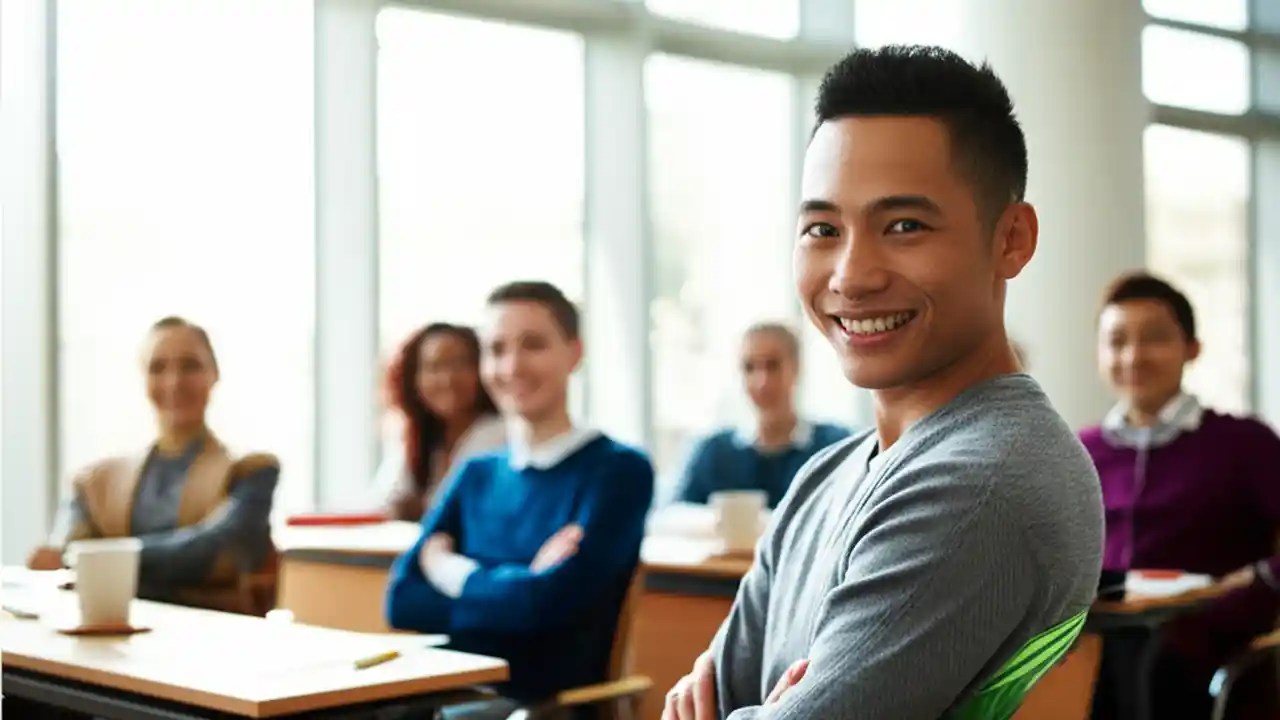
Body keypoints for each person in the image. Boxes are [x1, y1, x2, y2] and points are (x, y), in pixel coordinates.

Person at [663, 45, 1103, 719]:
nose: (851, 275)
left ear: (1010, 239)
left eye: (904, 226)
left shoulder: (979, 482)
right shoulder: (826, 475)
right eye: (822, 227)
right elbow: (714, 697)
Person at [384, 281, 654, 717]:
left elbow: (544, 610)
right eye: (496, 349)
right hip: (446, 692)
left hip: (538, 707)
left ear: (574, 352)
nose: (511, 366)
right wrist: (523, 582)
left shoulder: (619, 471)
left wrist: (450, 571)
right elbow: (402, 599)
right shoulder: (476, 473)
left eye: (533, 345)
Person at [1083, 273, 1280, 720]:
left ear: (1192, 348)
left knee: (1144, 664)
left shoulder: (1244, 443)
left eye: (1154, 339)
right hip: (1101, 633)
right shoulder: (1081, 451)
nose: (1133, 356)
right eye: (1116, 342)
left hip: (1205, 642)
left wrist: (1258, 579)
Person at [28, 317, 278, 613]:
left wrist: (103, 559)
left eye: (190, 365)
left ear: (215, 373)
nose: (174, 381)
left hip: (209, 639)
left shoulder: (252, 470)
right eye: (158, 367)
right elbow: (62, 554)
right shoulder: (94, 481)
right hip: (109, 637)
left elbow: (219, 553)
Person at [672, 323, 848, 509]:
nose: (761, 382)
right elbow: (675, 514)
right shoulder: (712, 451)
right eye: (749, 368)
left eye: (772, 366)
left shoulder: (835, 447)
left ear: (796, 368)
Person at [375, 323, 505, 521]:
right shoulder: (418, 437)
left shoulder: (500, 434)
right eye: (434, 367)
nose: (448, 379)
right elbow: (384, 503)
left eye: (461, 364)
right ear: (413, 379)